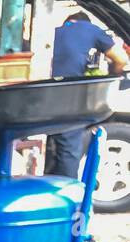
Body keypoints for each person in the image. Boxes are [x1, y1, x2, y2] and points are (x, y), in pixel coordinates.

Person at [46, 13, 129, 178]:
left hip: (41, 95)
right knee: (69, 149)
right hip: (67, 96)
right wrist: (113, 74)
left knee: (50, 146)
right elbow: (121, 59)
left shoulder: (53, 31)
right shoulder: (90, 28)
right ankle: (66, 196)